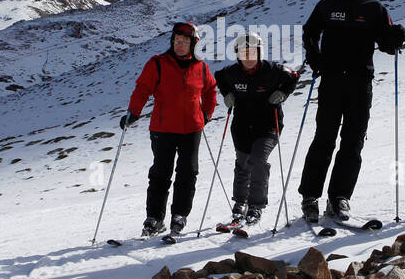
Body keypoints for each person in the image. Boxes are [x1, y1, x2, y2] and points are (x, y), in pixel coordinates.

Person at [298, 0, 405, 222]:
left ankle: (340, 197)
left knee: (353, 141)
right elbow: (309, 32)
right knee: (324, 138)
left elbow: (385, 42)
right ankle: (310, 196)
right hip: (332, 82)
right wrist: (315, 58)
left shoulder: (374, 8)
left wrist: (395, 38)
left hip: (360, 84)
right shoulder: (325, 5)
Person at [121, 22, 218, 236]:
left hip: (192, 128)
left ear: (193, 44)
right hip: (163, 128)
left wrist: (206, 114)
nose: (180, 45)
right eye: (176, 41)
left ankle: (179, 216)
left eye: (185, 42)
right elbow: (142, 89)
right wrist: (133, 112)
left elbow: (211, 90)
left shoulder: (201, 67)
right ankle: (154, 218)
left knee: (187, 173)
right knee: (160, 174)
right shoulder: (158, 63)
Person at [213, 32, 299, 225]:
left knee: (258, 160)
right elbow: (219, 77)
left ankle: (256, 206)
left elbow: (294, 76)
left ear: (259, 52)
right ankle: (240, 203)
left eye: (252, 52)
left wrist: (283, 93)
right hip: (242, 126)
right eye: (243, 53)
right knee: (243, 163)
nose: (248, 57)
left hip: (269, 125)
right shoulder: (231, 72)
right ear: (237, 55)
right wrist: (227, 94)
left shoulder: (273, 70)